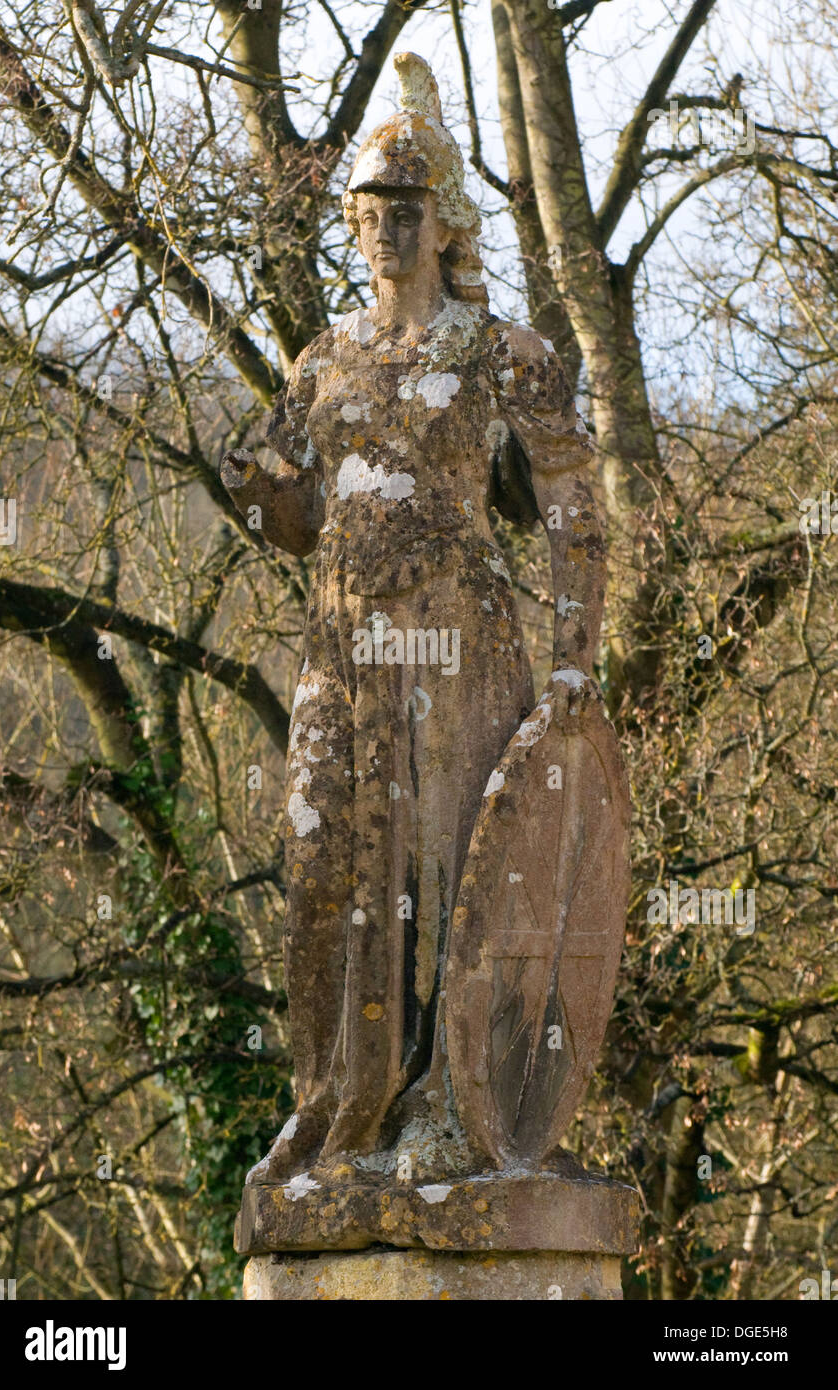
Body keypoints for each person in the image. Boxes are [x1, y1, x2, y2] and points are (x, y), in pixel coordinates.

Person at [221, 53, 606, 1184]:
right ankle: (332, 1103)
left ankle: (445, 1111)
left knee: (450, 875)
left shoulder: (498, 352)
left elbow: (572, 506)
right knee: (317, 867)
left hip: (457, 642)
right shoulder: (322, 361)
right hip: (340, 647)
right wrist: (257, 488)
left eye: (407, 207)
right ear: (349, 222)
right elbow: (291, 512)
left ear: (443, 225)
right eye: (368, 208)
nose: (385, 225)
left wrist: (575, 660)